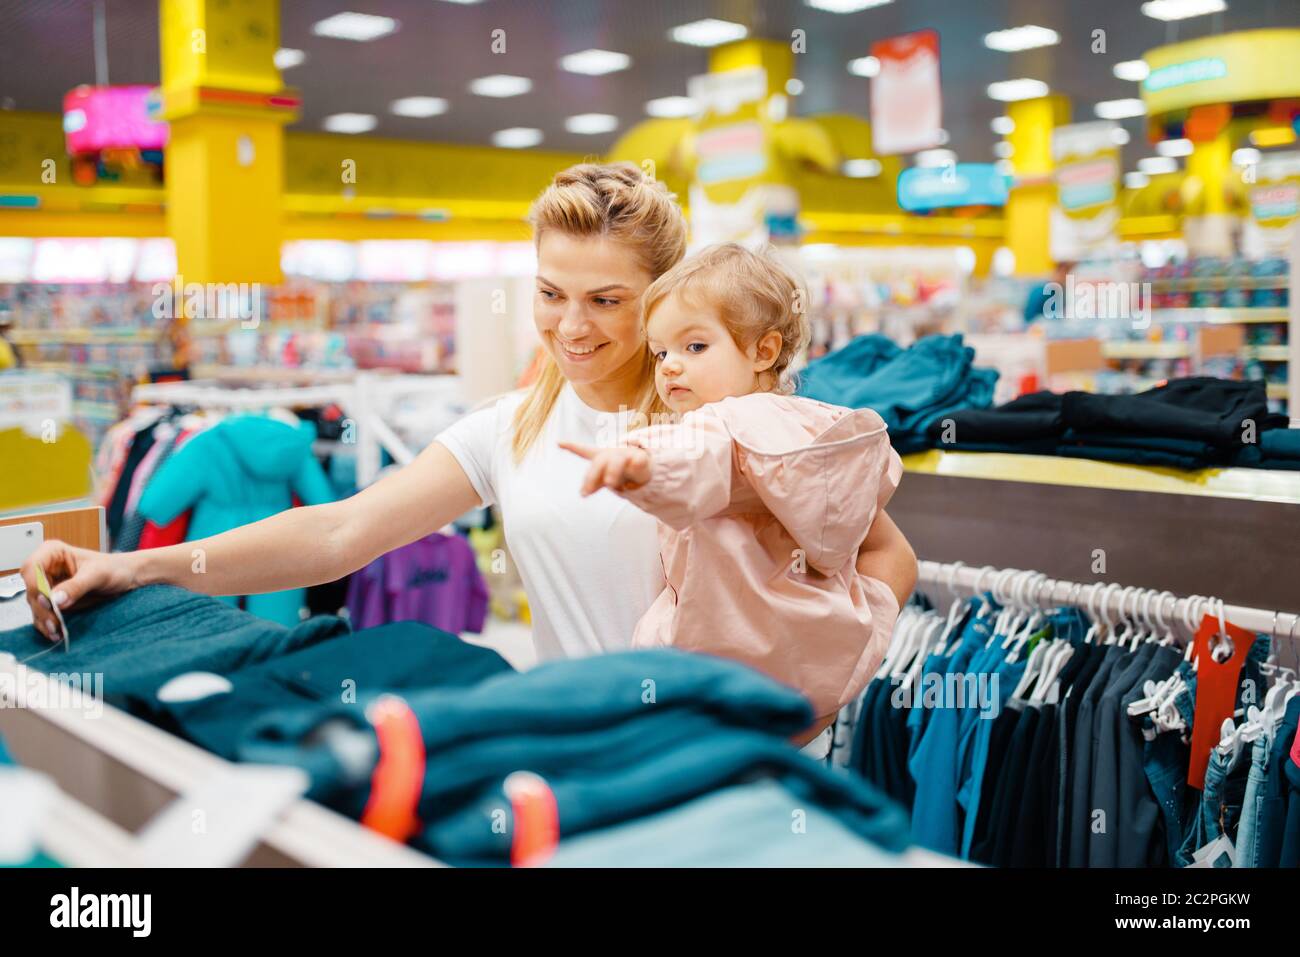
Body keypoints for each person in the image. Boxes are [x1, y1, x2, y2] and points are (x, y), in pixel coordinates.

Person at [21, 162, 916, 747]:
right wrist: (133, 568)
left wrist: (817, 690)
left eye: (607, 299)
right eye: (552, 293)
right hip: (583, 749)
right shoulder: (513, 425)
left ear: (663, 298)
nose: (572, 325)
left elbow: (885, 554)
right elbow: (340, 532)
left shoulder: (732, 426)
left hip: (741, 755)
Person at [563, 243, 902, 721]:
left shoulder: (721, 423)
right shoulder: (812, 432)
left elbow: (696, 461)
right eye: (661, 352)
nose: (670, 366)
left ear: (763, 351)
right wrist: (875, 615)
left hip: (718, 665)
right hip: (814, 664)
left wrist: (640, 468)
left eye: (695, 346)